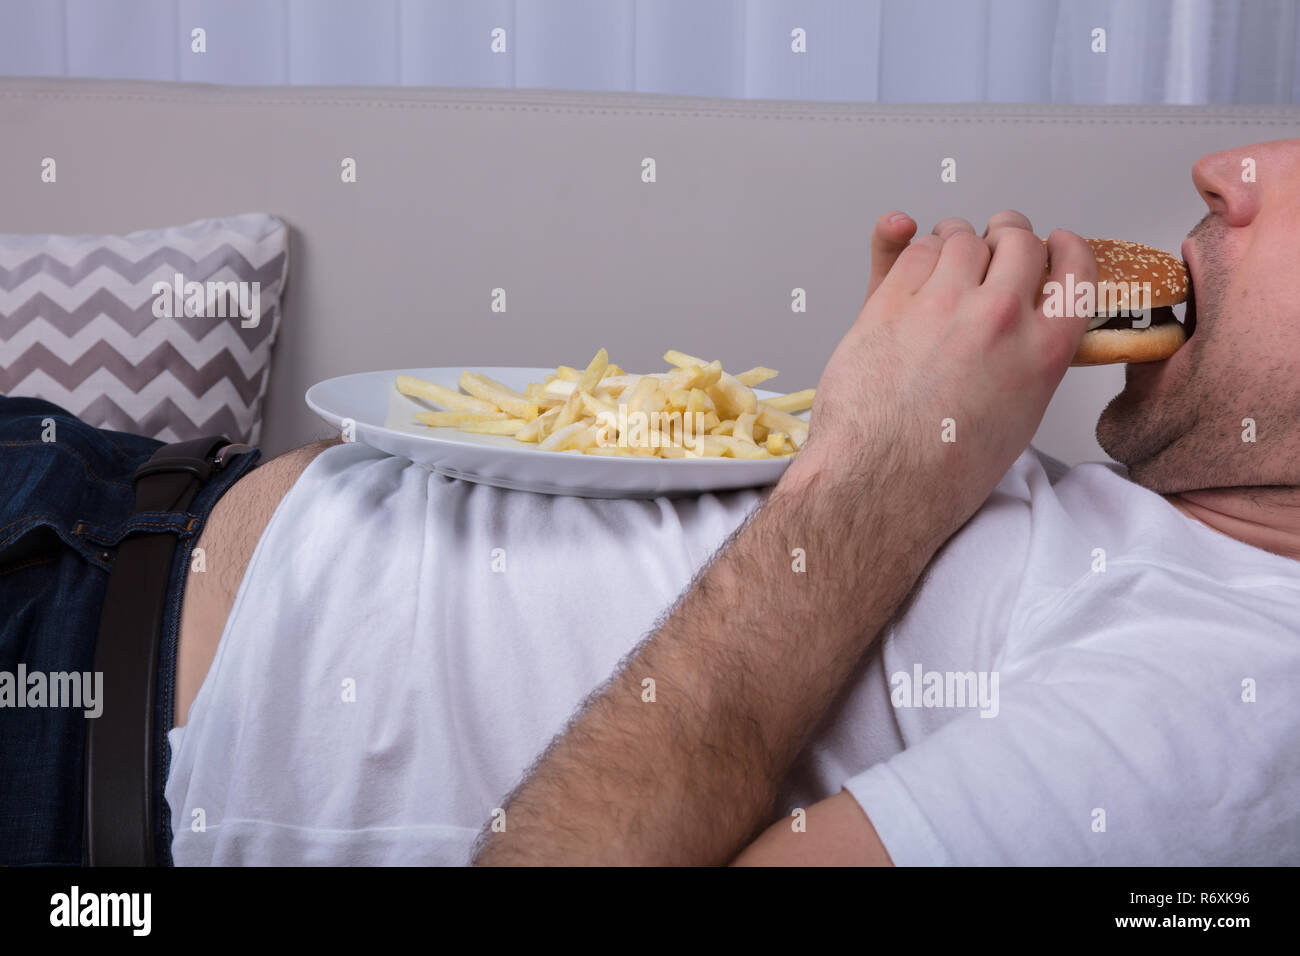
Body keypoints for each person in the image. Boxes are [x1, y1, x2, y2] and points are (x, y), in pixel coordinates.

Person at [4, 140, 1297, 866]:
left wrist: (883, 482)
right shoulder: (1170, 556)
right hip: (109, 493)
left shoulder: (1249, 714)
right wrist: (876, 425)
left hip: (77, 711)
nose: (1225, 166)